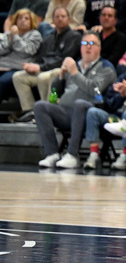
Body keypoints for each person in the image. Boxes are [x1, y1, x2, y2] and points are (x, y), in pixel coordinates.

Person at [34, 32, 116, 170]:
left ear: (99, 48)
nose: (87, 47)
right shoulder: (75, 66)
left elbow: (94, 89)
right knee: (40, 106)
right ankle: (52, 153)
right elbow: (53, 97)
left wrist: (74, 73)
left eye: (92, 44)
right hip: (66, 112)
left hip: (90, 114)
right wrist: (59, 78)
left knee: (79, 104)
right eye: (84, 44)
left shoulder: (106, 68)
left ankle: (72, 154)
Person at [6, 7, 79, 121]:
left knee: (43, 77)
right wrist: (32, 66)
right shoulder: (48, 37)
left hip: (61, 72)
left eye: (63, 16)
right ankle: (29, 111)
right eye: (57, 17)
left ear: (69, 19)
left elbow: (64, 60)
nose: (60, 19)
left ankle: (48, 111)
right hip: (44, 69)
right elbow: (40, 57)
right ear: (53, 20)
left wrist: (40, 67)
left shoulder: (74, 36)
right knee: (18, 77)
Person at [0, 9, 43, 101]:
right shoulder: (8, 34)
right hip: (2, 66)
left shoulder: (35, 35)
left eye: (26, 18)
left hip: (17, 68)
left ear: (32, 22)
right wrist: (10, 40)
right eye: (20, 18)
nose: (23, 20)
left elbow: (27, 51)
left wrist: (15, 37)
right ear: (15, 20)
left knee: (2, 82)